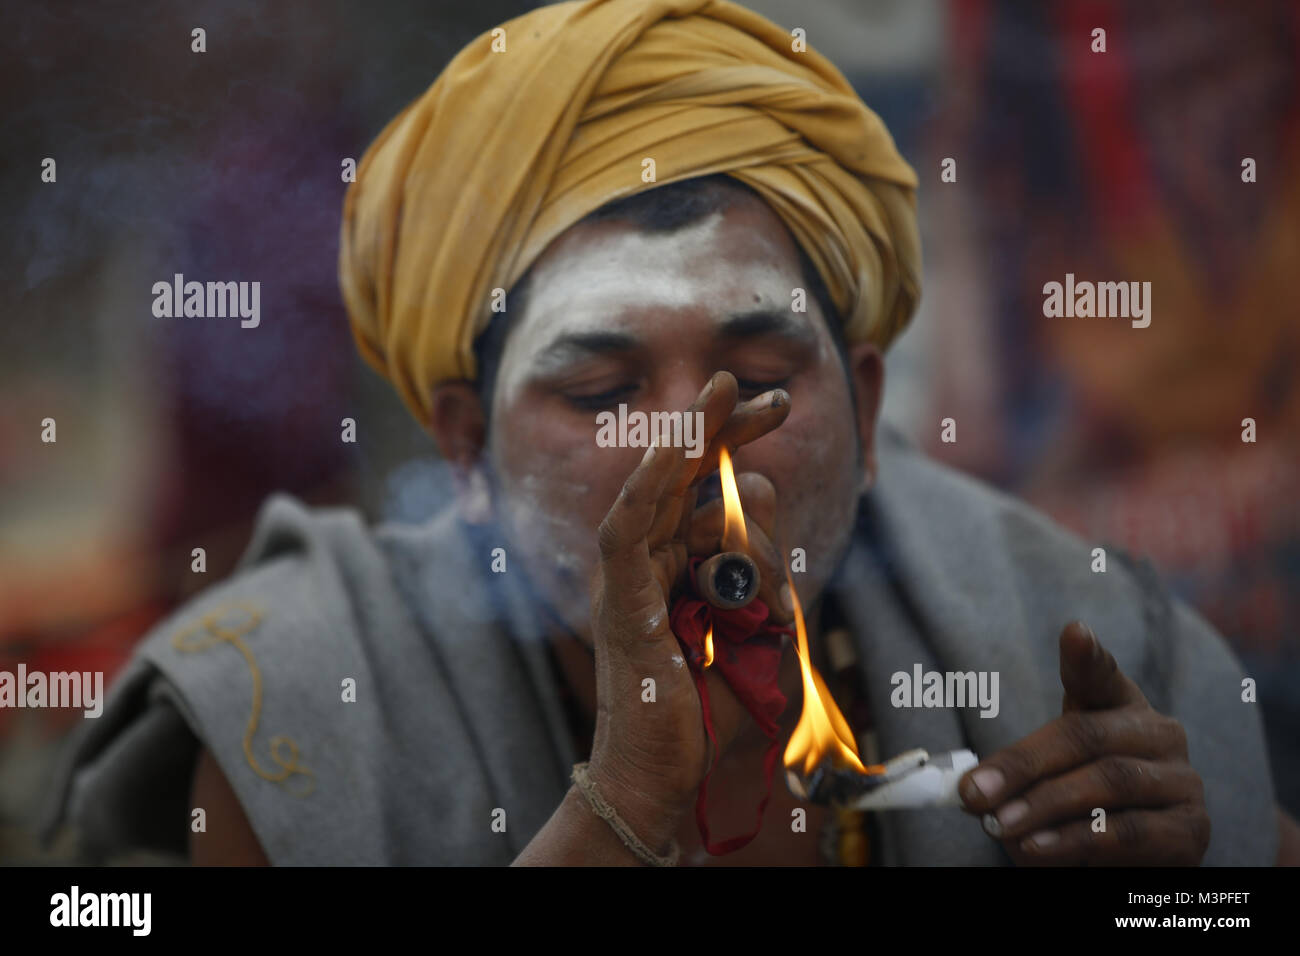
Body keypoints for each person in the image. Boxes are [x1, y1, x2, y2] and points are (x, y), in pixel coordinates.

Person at [44, 0, 1298, 866]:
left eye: (758, 376)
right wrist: (622, 809)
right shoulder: (292, 708)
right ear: (467, 449)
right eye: (600, 394)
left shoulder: (1081, 632)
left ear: (865, 406)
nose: (690, 453)